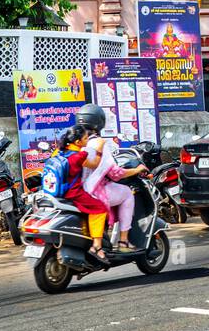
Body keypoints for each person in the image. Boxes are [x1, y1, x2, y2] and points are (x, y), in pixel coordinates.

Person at [57, 111, 110, 266]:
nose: (88, 141)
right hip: (73, 192)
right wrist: (99, 149)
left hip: (58, 191)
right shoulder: (80, 155)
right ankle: (97, 246)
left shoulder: (60, 151)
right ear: (79, 141)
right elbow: (94, 164)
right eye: (86, 138)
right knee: (99, 208)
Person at [82, 131, 148, 252]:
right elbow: (115, 173)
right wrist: (137, 170)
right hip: (94, 191)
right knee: (127, 193)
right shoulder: (98, 143)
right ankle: (123, 241)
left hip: (77, 190)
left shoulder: (77, 144)